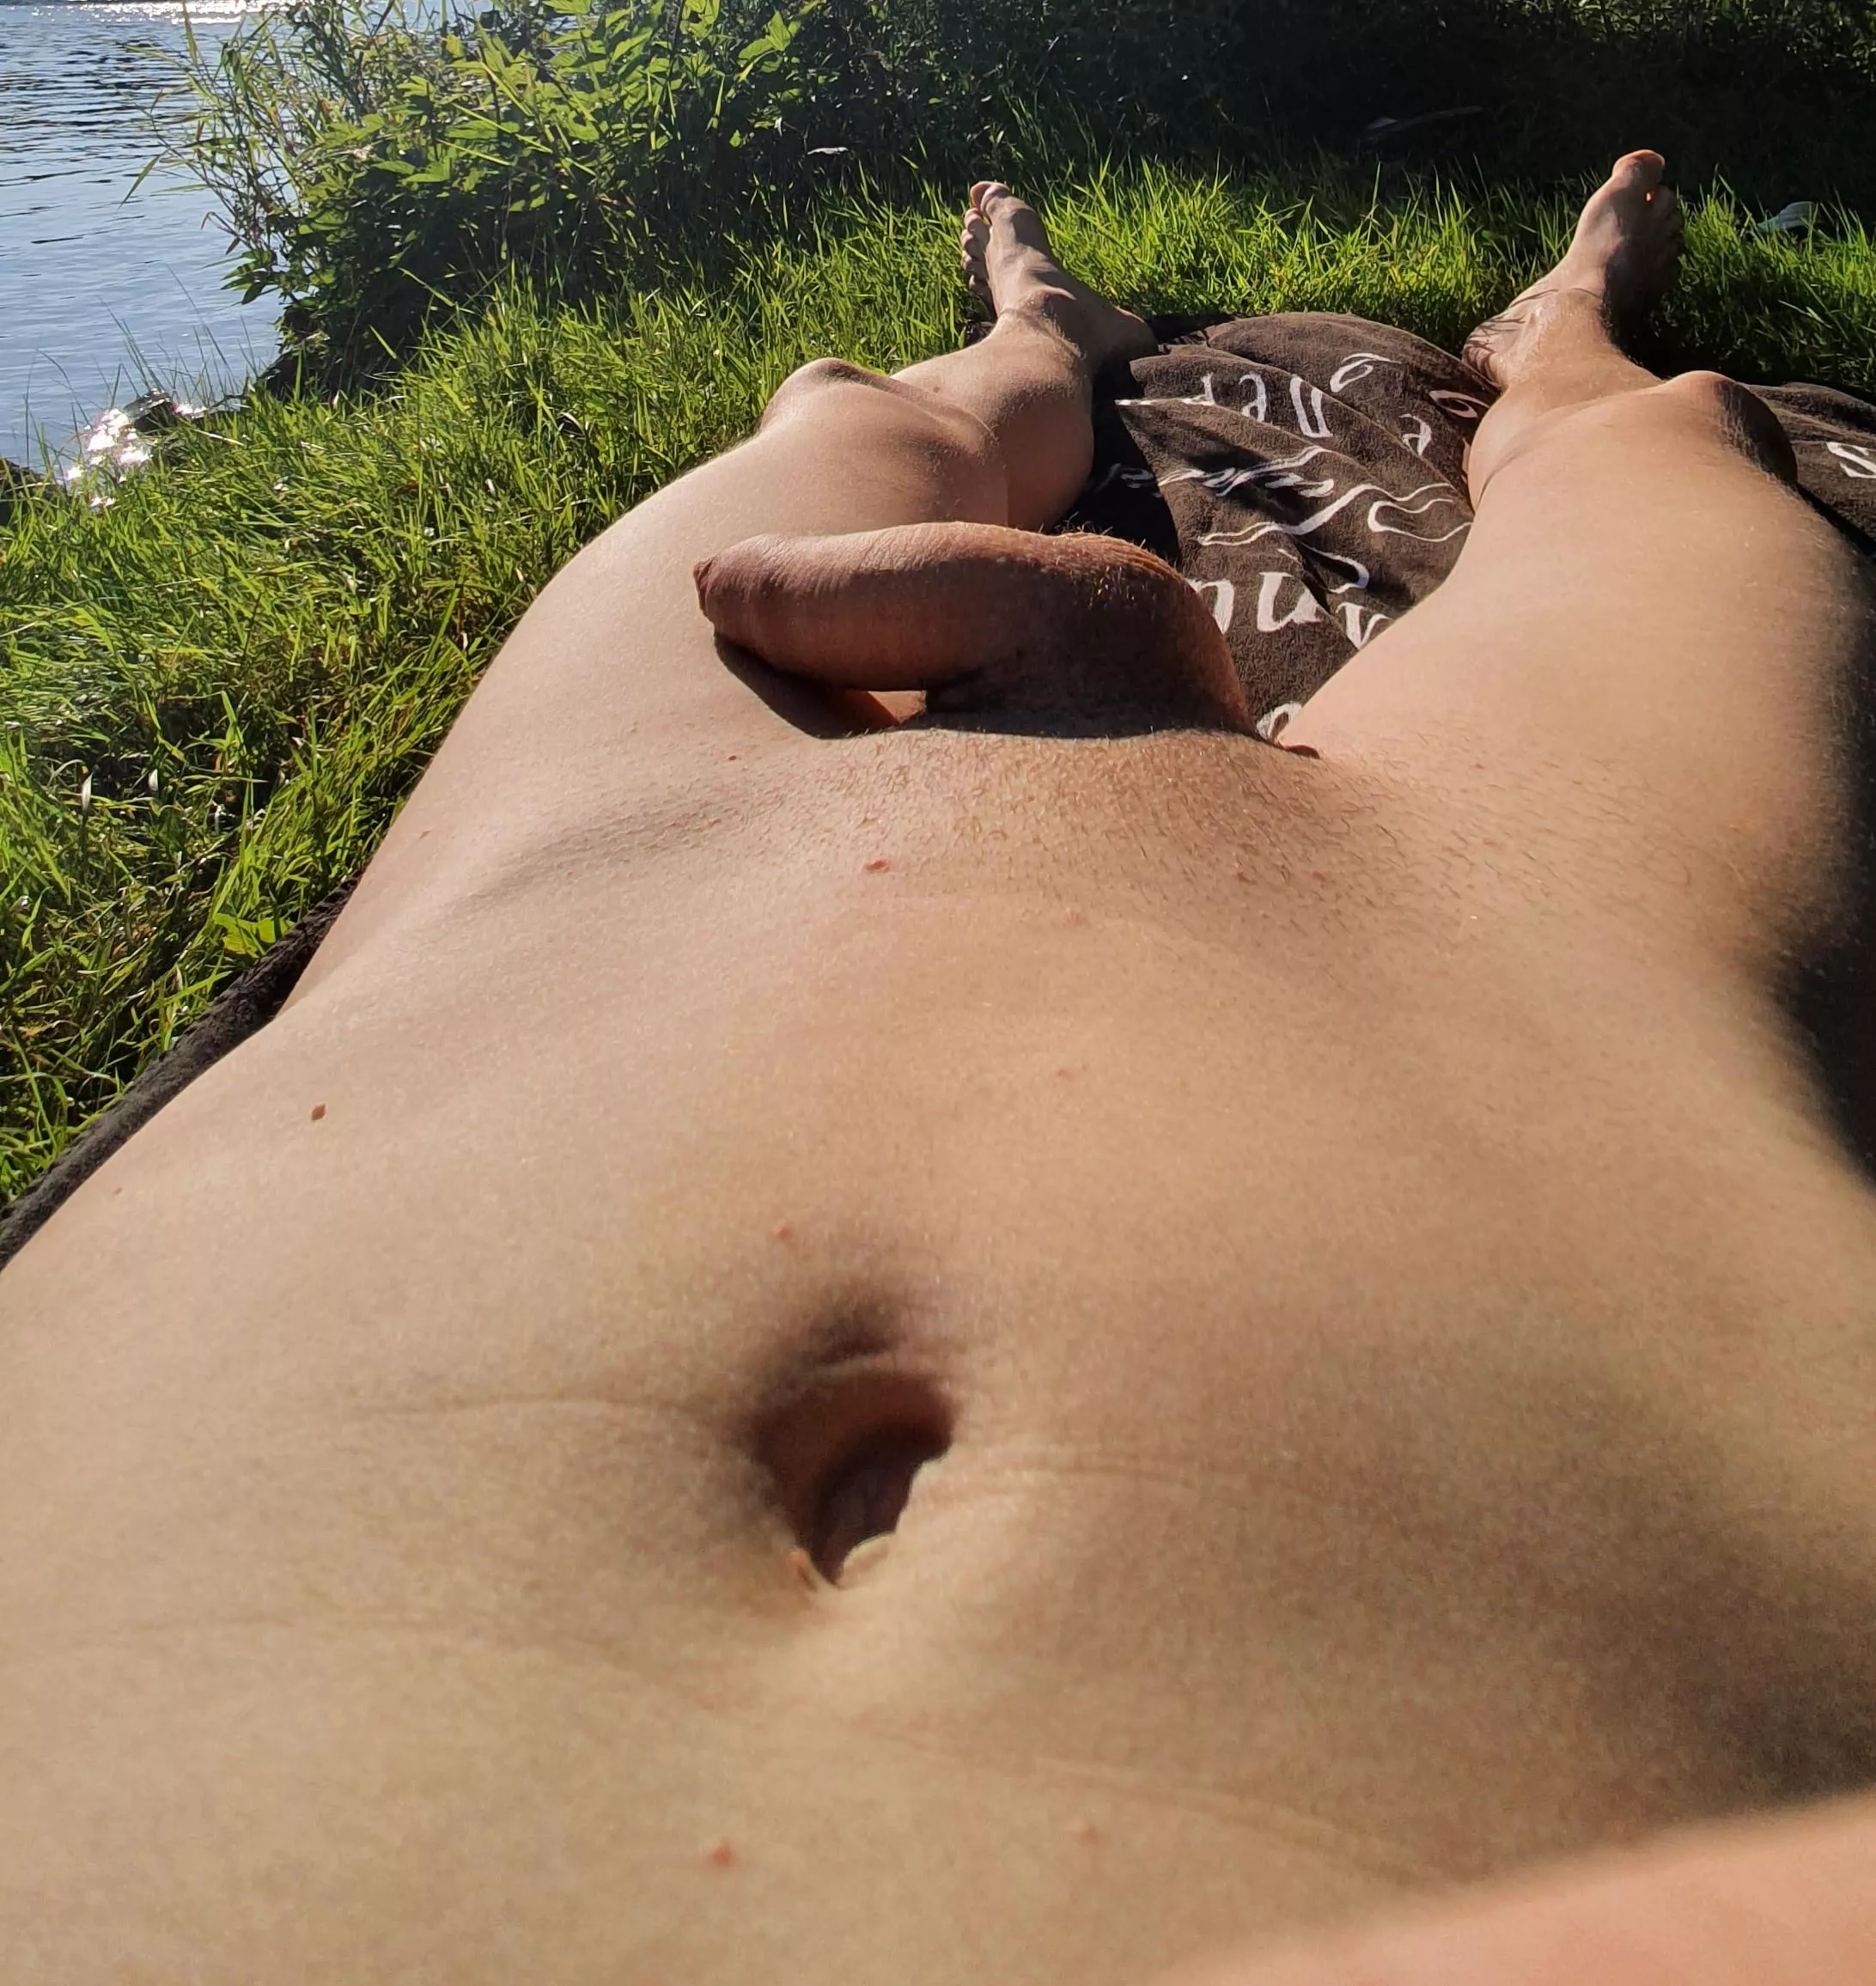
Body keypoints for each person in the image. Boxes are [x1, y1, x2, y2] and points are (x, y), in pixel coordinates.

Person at [7, 154, 1876, 1986]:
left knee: (843, 424)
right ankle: (1195, 340)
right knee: (1668, 459)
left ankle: (1518, 332)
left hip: (613, 881)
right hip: (1549, 993)